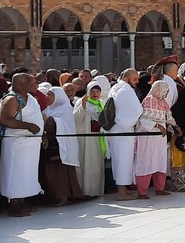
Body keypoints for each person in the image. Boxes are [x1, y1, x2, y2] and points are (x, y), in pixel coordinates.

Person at [0, 73, 43, 217]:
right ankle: (14, 206)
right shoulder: (11, 99)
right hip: (16, 143)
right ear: (22, 85)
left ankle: (22, 202)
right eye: (30, 82)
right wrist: (28, 125)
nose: (33, 85)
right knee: (15, 174)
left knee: (26, 173)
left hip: (30, 144)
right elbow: (5, 119)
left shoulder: (29, 98)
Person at [107, 69, 144, 200]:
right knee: (123, 160)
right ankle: (121, 193)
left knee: (120, 160)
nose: (137, 81)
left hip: (117, 129)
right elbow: (137, 110)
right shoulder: (126, 90)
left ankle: (123, 189)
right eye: (135, 79)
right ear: (126, 78)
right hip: (123, 129)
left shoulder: (116, 87)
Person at [135, 80, 174, 199]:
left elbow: (168, 117)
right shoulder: (148, 101)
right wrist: (157, 126)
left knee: (160, 160)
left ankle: (159, 188)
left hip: (159, 138)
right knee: (146, 161)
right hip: (148, 136)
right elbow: (143, 120)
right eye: (164, 90)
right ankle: (141, 191)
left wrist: (173, 126)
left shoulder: (163, 103)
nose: (166, 93)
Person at [73, 77, 107, 198]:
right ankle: (85, 191)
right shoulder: (82, 102)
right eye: (92, 91)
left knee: (96, 164)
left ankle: (96, 191)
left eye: (97, 91)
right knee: (86, 164)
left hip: (98, 139)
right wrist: (82, 106)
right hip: (86, 140)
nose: (95, 94)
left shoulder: (102, 104)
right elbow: (76, 118)